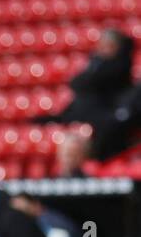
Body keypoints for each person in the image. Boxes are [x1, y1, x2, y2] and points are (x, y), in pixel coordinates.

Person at [48, 28, 138, 160]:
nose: (103, 50)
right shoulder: (95, 64)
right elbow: (77, 83)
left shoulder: (119, 67)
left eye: (109, 46)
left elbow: (85, 82)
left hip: (105, 115)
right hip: (88, 112)